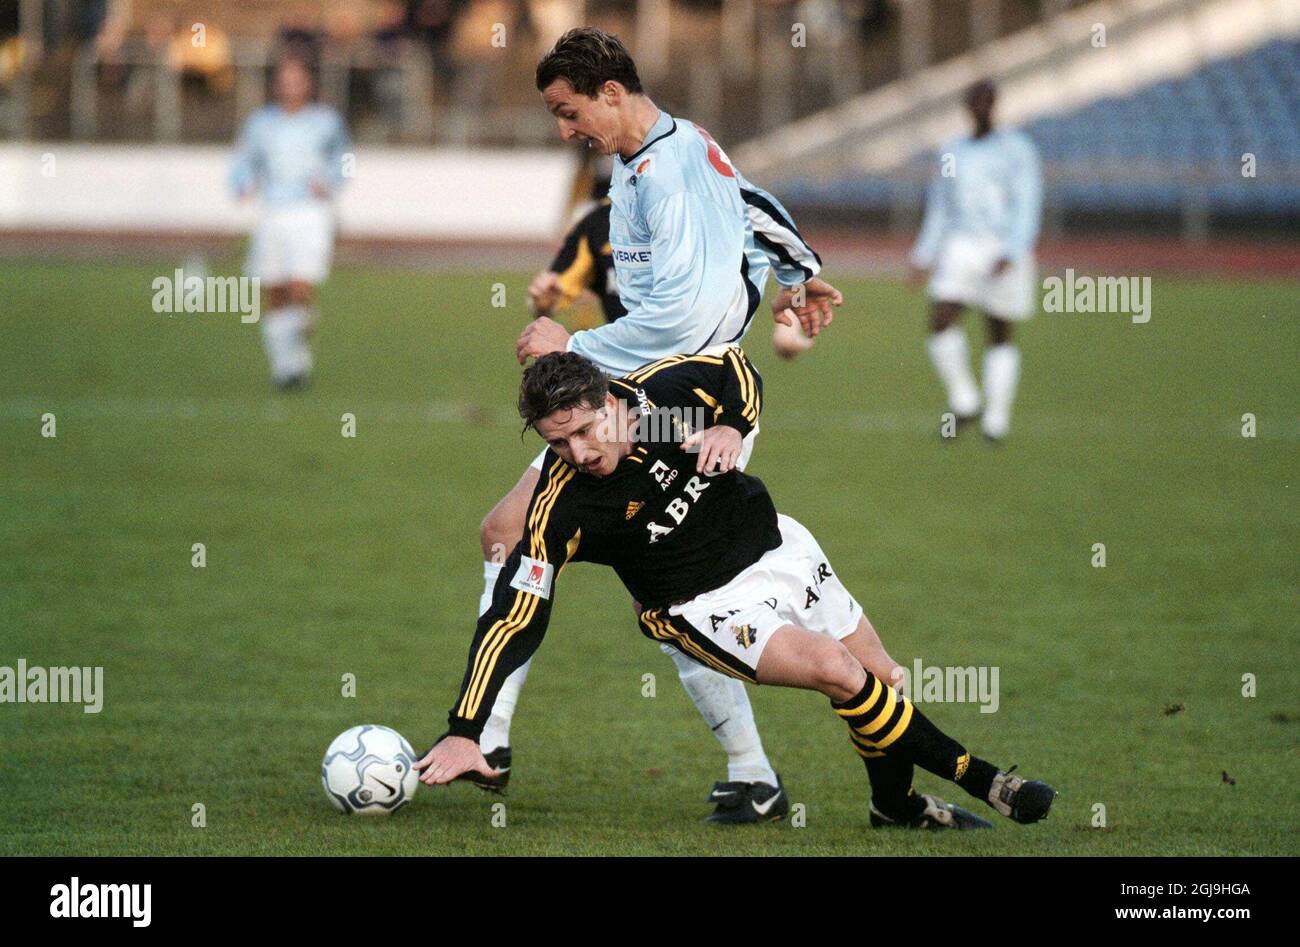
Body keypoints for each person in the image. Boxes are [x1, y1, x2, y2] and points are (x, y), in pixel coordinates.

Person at [418, 349, 1057, 831]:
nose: (579, 452)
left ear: (612, 401)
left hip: (780, 547)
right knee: (838, 670)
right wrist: (464, 728)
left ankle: (895, 807)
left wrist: (729, 423)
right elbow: (513, 617)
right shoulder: (560, 509)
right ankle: (988, 780)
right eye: (557, 441)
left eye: (585, 430)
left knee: (882, 680)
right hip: (702, 606)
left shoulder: (662, 401)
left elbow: (735, 366)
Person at [464, 27, 841, 824]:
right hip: (645, 393)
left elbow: (684, 315)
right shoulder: (668, 150)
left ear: (609, 92)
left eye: (569, 112)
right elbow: (755, 205)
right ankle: (747, 772)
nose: (565, 131)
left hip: (683, 404)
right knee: (576, 558)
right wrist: (801, 273)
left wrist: (575, 344)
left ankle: (492, 738)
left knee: (656, 586)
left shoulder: (666, 173)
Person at [909, 79, 1042, 441]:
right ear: (968, 106)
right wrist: (924, 254)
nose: (981, 106)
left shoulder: (1017, 150)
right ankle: (965, 399)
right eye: (975, 101)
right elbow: (940, 206)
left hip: (1001, 246)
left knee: (998, 331)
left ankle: (997, 418)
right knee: (941, 319)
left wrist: (1013, 250)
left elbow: (1026, 202)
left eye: (987, 100)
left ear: (995, 104)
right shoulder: (952, 152)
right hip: (961, 245)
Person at [231, 55, 350, 390]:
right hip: (272, 212)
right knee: (275, 290)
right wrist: (242, 184)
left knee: (301, 286)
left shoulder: (326, 121)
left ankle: (298, 354)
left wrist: (330, 181)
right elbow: (243, 161)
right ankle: (287, 367)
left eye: (296, 79)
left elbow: (345, 159)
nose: (289, 86)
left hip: (310, 212)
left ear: (307, 83)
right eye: (284, 80)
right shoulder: (260, 124)